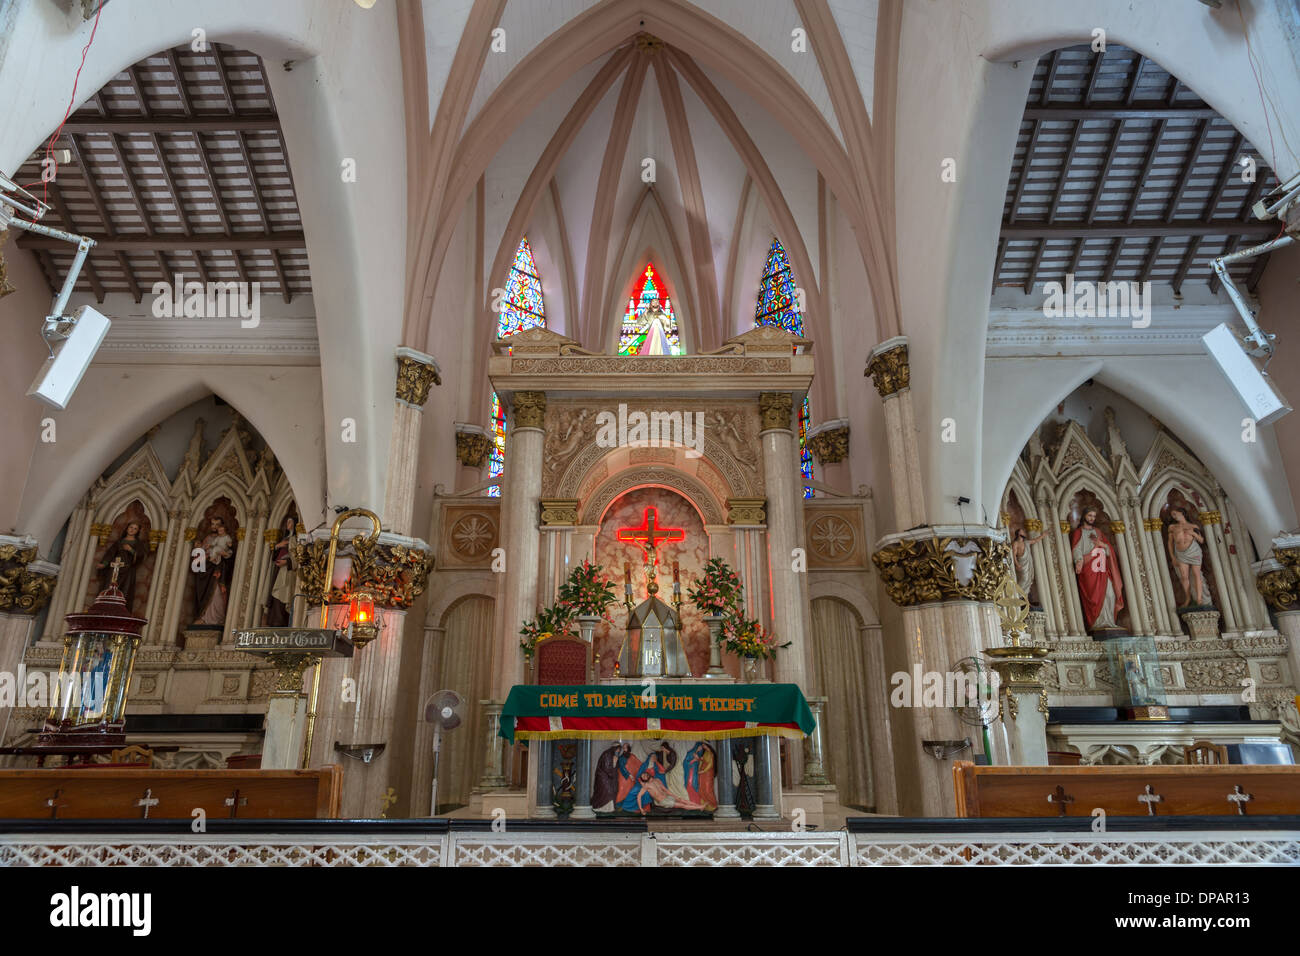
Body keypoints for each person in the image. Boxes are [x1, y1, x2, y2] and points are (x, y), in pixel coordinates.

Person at [1070, 507, 1125, 632]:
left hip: (1102, 569)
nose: (1092, 518)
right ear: (1084, 516)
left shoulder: (1098, 532)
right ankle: (1098, 623)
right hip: (1089, 570)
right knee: (1094, 597)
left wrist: (1102, 545)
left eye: (1094, 516)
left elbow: (1108, 548)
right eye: (1090, 515)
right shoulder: (1079, 532)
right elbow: (1076, 549)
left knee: (1110, 594)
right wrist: (1078, 560)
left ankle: (1109, 621)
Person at [193, 516, 235, 627]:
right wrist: (199, 549)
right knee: (205, 591)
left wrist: (224, 555)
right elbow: (200, 555)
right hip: (207, 569)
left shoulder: (226, 538)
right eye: (212, 524)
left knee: (217, 593)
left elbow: (230, 554)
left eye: (217, 525)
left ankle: (216, 619)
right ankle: (203, 617)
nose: (214, 527)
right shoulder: (208, 538)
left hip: (219, 569)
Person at [97, 521, 146, 613]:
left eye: (135, 528)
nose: (132, 530)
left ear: (138, 531)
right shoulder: (120, 542)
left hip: (127, 571)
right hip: (115, 568)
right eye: (131, 527)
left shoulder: (137, 543)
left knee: (124, 590)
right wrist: (104, 563)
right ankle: (104, 609)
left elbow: (141, 556)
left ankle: (120, 611)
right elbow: (110, 553)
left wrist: (131, 550)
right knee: (109, 587)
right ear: (127, 528)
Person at [1166, 507, 1208, 608]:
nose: (1174, 516)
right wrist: (1172, 557)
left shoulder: (1193, 526)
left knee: (1196, 574)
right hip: (1181, 554)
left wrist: (1193, 533)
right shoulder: (1172, 527)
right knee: (1184, 577)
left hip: (1194, 552)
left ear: (1182, 513)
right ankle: (1188, 598)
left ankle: (1199, 599)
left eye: (1175, 513)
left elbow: (1201, 540)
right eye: (1172, 515)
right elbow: (1170, 543)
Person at [263, 514, 297, 626]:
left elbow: (297, 557)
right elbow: (274, 556)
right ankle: (273, 622)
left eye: (290, 522)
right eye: (287, 522)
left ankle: (281, 623)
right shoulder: (284, 539)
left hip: (287, 571)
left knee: (282, 594)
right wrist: (278, 546)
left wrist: (287, 562)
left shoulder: (294, 539)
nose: (288, 524)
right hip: (279, 570)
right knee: (275, 596)